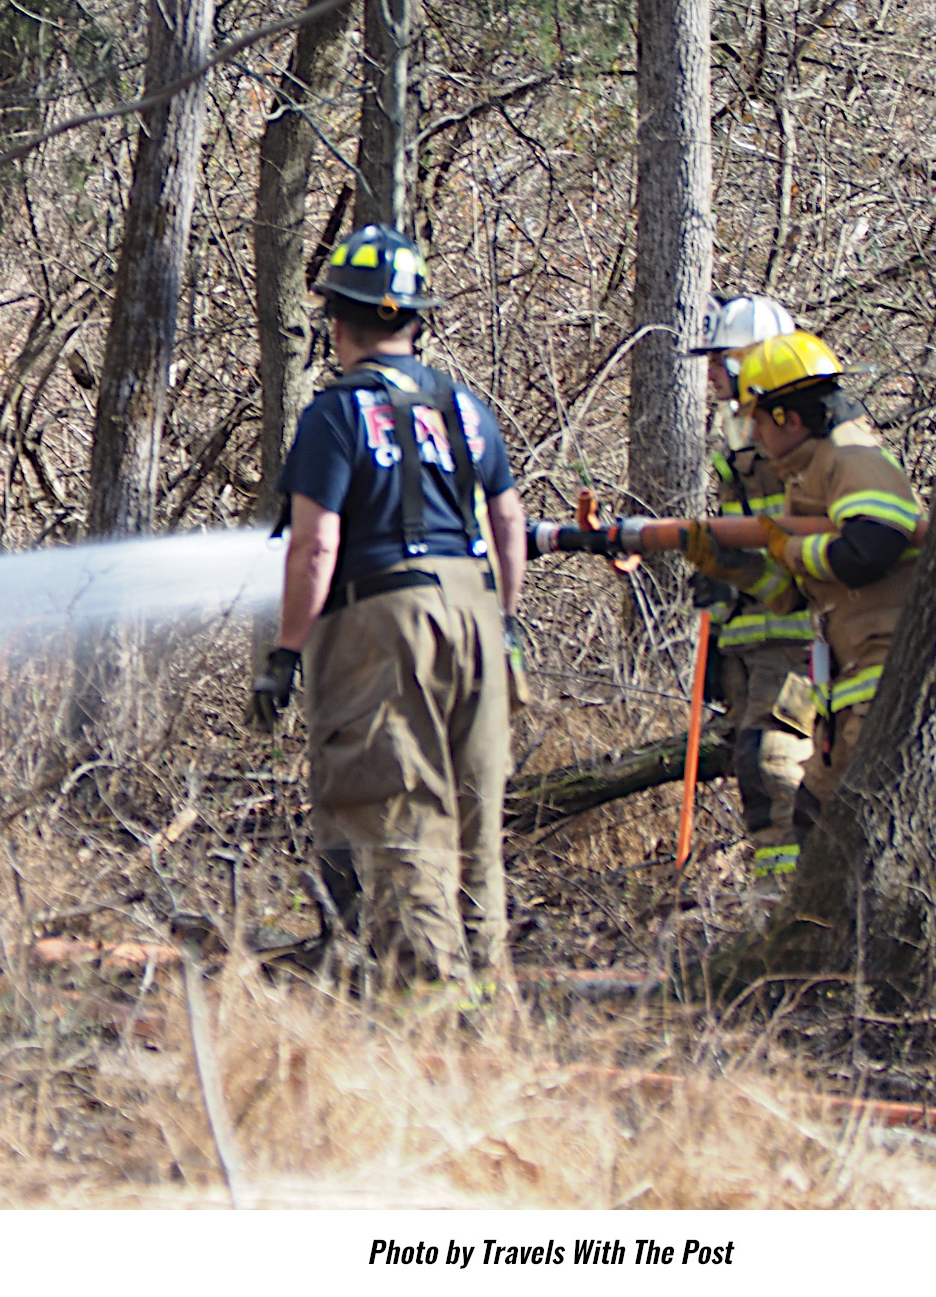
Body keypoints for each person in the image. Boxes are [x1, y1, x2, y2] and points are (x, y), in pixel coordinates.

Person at [250, 225, 527, 992]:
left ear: (337, 321)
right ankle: (486, 993)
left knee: (400, 804)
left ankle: (427, 1002)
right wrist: (504, 623)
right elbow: (508, 521)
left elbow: (315, 546)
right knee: (475, 814)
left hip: (385, 621)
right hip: (476, 611)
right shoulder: (464, 407)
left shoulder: (334, 415)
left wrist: (286, 653)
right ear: (414, 321)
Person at [683, 330, 921, 855]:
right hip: (844, 688)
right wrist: (734, 568)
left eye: (759, 420)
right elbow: (794, 595)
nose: (754, 434)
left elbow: (870, 550)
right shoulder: (808, 476)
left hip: (883, 679)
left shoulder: (852, 459)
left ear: (788, 419)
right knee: (812, 820)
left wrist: (790, 549)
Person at [688, 295, 816, 879]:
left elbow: (800, 549)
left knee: (777, 762)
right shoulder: (740, 433)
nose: (712, 372)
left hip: (800, 641)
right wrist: (718, 579)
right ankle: (772, 900)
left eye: (723, 358)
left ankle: (794, 896)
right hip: (752, 637)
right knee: (754, 771)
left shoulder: (798, 438)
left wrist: (735, 568)